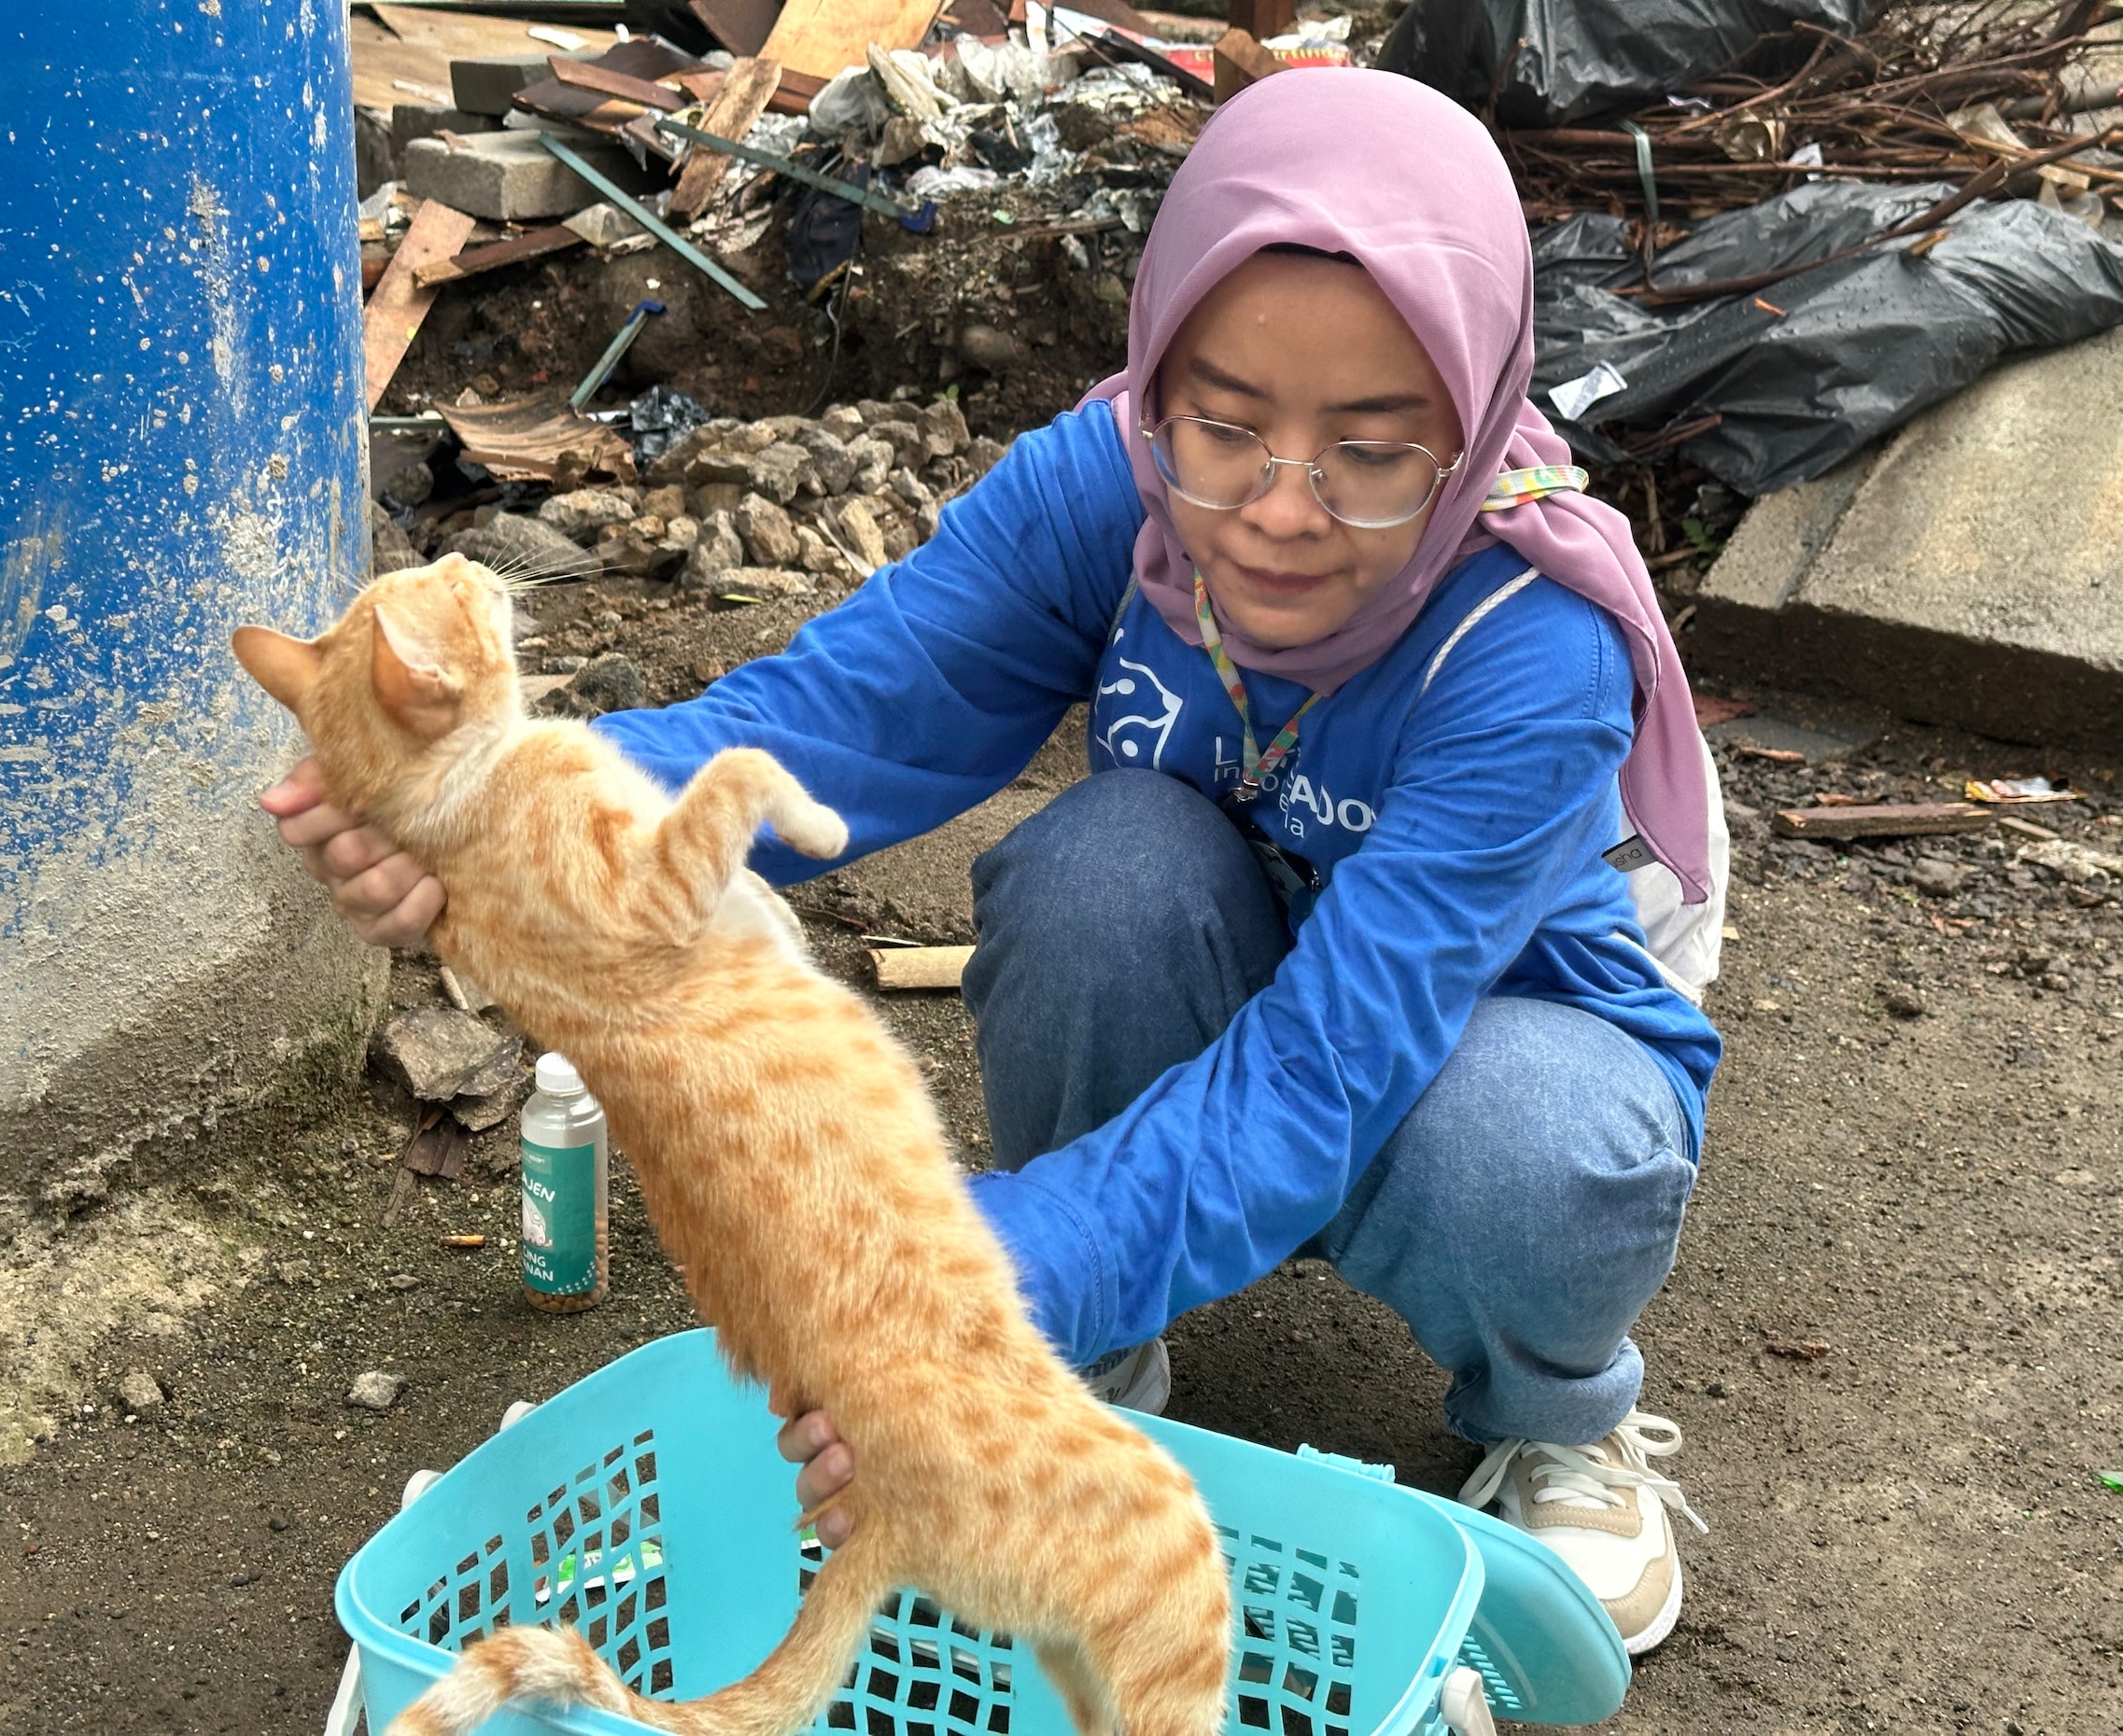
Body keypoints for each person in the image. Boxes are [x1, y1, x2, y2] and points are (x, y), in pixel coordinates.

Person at [267, 71, 1724, 1655]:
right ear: (1160, 366)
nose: (1279, 512)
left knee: (1529, 1150)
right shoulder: (1118, 477)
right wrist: (494, 805)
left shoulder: (1532, 644)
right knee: (1101, 867)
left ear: (1477, 407)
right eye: (1226, 426)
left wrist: (975, 1280)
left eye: (1372, 452)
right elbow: (845, 708)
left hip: (1471, 1030)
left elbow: (1327, 1070)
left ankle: (1554, 1414)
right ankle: (1084, 1360)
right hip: (1212, 935)